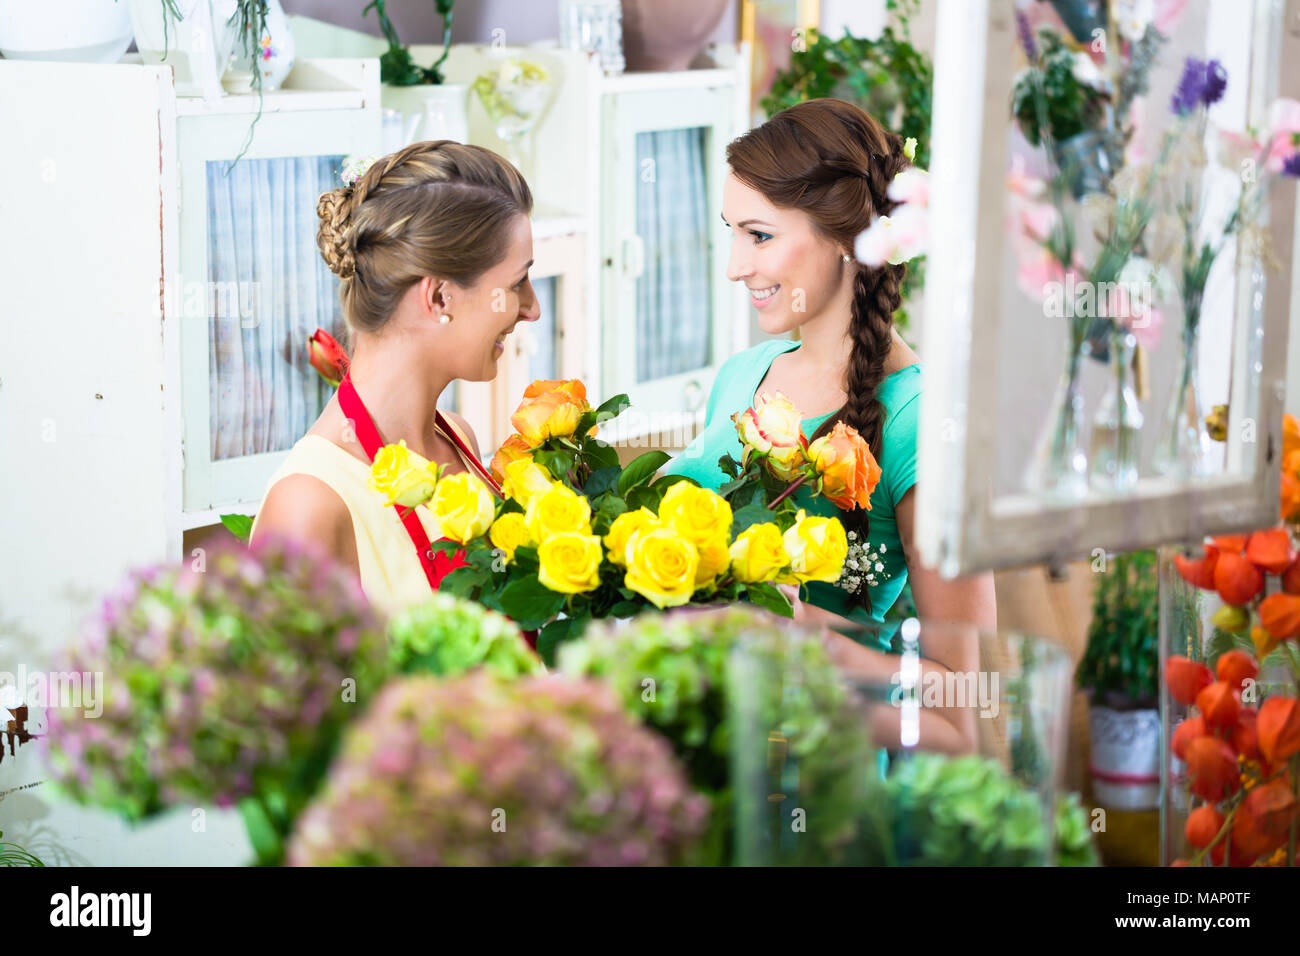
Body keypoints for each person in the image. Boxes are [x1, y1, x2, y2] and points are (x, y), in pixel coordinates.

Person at [665, 99, 997, 754]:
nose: (735, 266)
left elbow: (968, 716)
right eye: (731, 232)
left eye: (758, 236)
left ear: (847, 237)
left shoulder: (921, 424)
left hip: (817, 787)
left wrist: (802, 647)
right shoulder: (742, 374)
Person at [250, 140, 541, 619]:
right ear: (441, 298)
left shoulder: (457, 439)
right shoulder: (310, 507)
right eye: (516, 284)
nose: (532, 309)